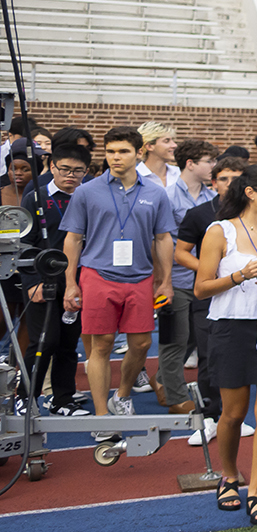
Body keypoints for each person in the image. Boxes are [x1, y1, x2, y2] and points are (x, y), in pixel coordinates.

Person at [61, 127, 181, 446]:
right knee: (100, 345)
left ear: (139, 153)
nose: (116, 157)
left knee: (141, 344)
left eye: (123, 151)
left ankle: (122, 395)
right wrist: (70, 282)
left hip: (140, 277)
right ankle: (103, 418)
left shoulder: (155, 193)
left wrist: (165, 280)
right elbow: (72, 238)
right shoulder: (87, 191)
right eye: (111, 151)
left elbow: (164, 238)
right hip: (98, 275)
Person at [196, 164, 257, 524]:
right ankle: (229, 475)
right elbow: (201, 287)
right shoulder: (219, 231)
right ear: (251, 192)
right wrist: (239, 275)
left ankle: (256, 489)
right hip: (230, 328)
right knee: (234, 413)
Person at [176, 155, 247, 443]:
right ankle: (208, 417)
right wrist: (212, 270)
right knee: (208, 357)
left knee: (241, 358)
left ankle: (235, 416)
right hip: (208, 297)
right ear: (214, 182)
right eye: (224, 179)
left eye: (237, 179)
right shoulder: (199, 214)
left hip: (248, 298)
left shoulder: (255, 216)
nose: (230, 185)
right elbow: (181, 253)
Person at [157, 140, 219, 431]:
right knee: (176, 340)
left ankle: (162, 380)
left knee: (198, 340)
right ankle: (175, 395)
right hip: (179, 281)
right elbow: (160, 241)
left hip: (208, 284)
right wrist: (162, 280)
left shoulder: (214, 197)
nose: (213, 166)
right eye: (209, 160)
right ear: (191, 163)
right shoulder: (166, 197)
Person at [22, 143, 88, 417]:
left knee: (69, 344)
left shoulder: (87, 198)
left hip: (80, 280)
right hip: (45, 280)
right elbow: (24, 243)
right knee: (44, 342)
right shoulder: (35, 198)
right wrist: (32, 282)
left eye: (78, 171)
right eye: (64, 169)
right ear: (52, 168)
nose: (70, 176)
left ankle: (63, 400)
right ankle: (26, 397)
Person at [136, 120, 176, 185]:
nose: (174, 145)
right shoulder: (136, 177)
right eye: (166, 141)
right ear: (149, 146)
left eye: (172, 140)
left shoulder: (179, 174)